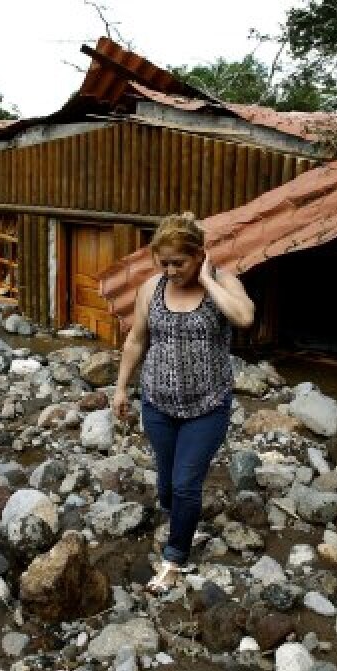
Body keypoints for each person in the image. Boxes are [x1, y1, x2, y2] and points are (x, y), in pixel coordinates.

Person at [112, 212, 256, 593]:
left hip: (207, 406)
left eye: (181, 262)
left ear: (199, 255)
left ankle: (174, 558)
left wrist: (208, 278)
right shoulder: (151, 288)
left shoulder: (222, 283)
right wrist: (121, 387)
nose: (172, 271)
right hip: (158, 403)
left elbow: (244, 317)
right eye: (165, 263)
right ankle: (181, 518)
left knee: (186, 484)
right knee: (166, 486)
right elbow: (137, 340)